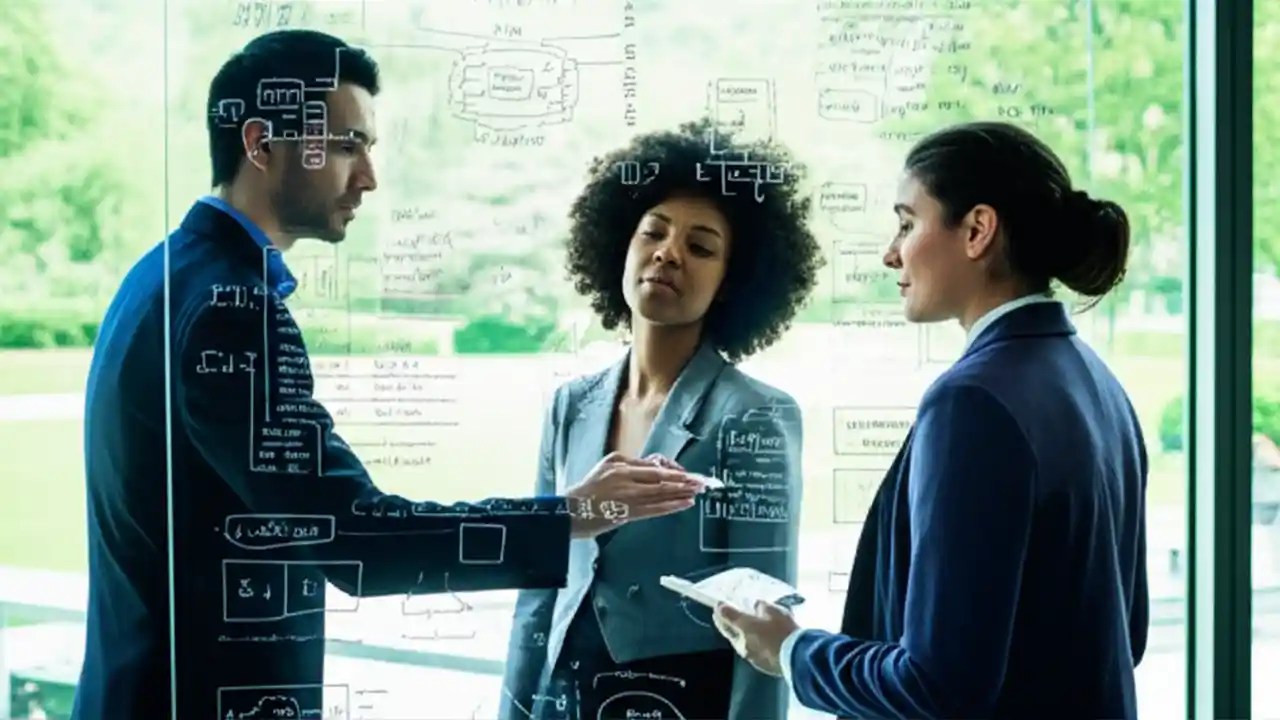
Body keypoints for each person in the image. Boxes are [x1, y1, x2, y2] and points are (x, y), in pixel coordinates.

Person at [74, 30, 706, 720]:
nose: (369, 177)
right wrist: (569, 515)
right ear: (260, 145)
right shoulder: (234, 312)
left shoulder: (158, 278)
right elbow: (355, 540)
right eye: (348, 145)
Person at [713, 121, 1150, 719]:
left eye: (907, 222)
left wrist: (790, 650)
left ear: (977, 231)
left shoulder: (973, 403)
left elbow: (938, 685)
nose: (891, 252)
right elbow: (1131, 633)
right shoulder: (1100, 385)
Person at [498, 118, 824, 720]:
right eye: (653, 232)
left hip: (681, 699)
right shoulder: (571, 404)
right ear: (620, 244)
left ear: (731, 283)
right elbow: (538, 586)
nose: (668, 253)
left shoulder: (756, 415)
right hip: (560, 696)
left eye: (700, 247)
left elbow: (766, 615)